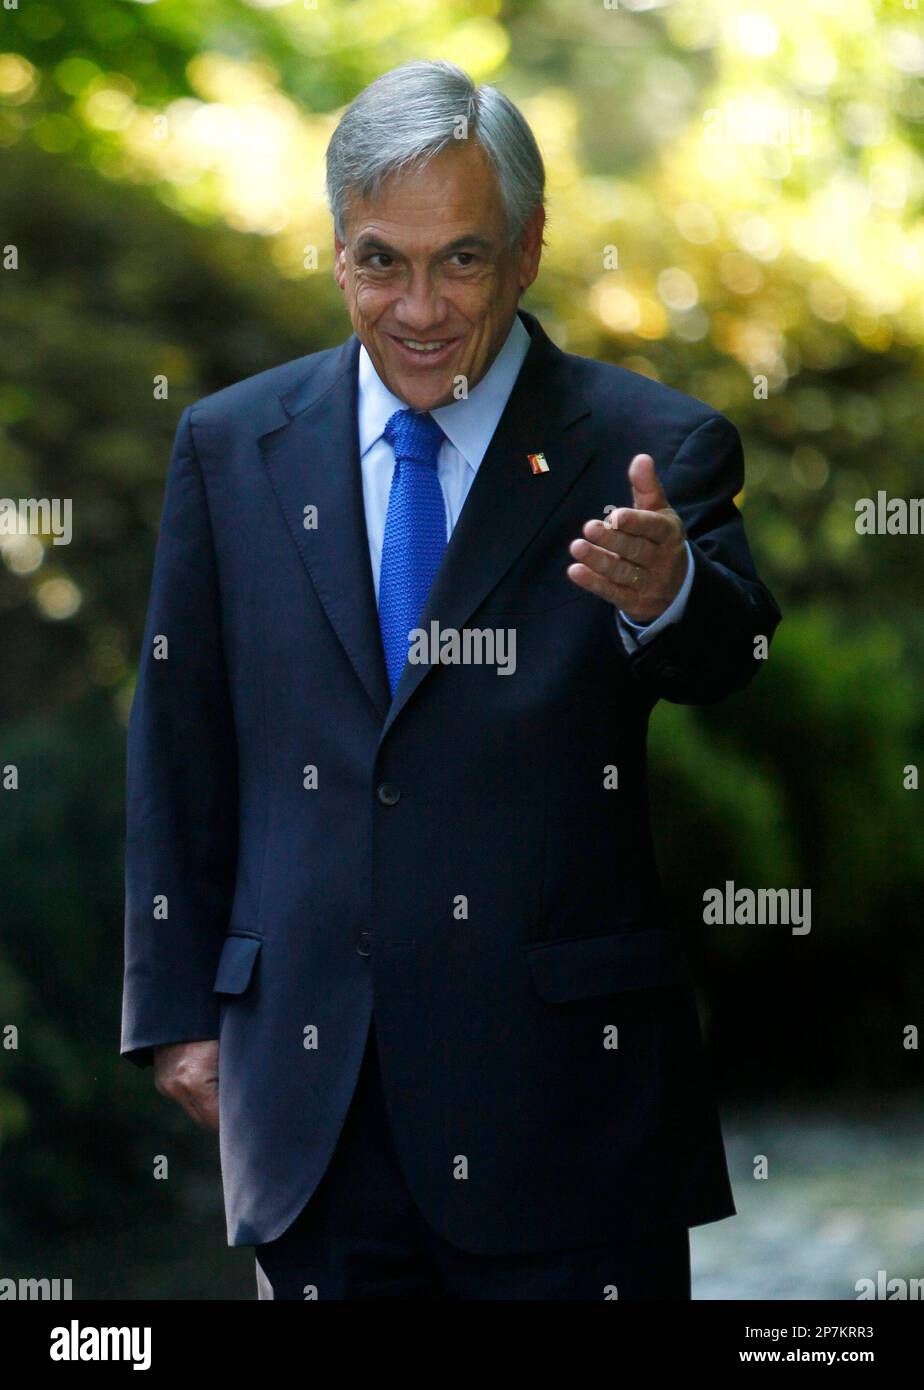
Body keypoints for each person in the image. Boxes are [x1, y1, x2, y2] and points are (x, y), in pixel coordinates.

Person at [121, 60, 782, 1300]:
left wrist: (669, 597)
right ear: (335, 254)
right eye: (383, 261)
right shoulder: (227, 447)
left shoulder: (655, 448)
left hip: (569, 1123)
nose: (419, 307)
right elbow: (179, 747)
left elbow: (735, 654)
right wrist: (174, 1012)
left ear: (527, 250)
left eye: (462, 260)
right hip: (311, 1110)